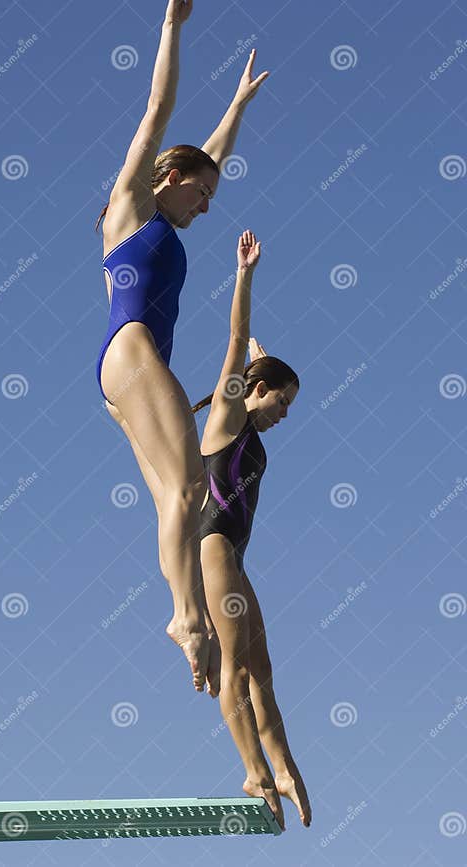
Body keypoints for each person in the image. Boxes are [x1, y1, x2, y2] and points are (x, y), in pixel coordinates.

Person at [97, 0, 270, 697]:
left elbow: (212, 155)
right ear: (166, 180)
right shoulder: (130, 207)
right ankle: (186, 617)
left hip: (127, 372)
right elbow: (158, 110)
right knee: (192, 484)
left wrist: (236, 105)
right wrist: (173, 27)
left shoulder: (175, 208)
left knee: (183, 496)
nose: (206, 207)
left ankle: (185, 617)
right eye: (200, 194)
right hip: (132, 350)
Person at [191, 230, 311, 831]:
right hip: (214, 548)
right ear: (255, 391)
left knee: (261, 666)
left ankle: (283, 763)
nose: (283, 416)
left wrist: (266, 352)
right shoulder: (229, 414)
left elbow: (256, 351)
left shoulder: (252, 427)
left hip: (236, 556)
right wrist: (245, 276)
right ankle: (253, 770)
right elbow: (239, 342)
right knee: (233, 670)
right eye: (282, 404)